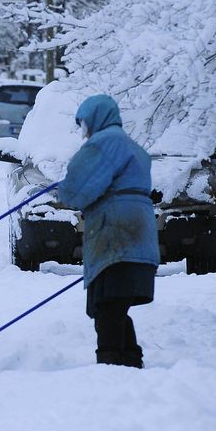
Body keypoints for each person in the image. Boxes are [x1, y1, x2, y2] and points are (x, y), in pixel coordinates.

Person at [59, 95, 160, 368]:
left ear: (97, 118)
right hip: (137, 231)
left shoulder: (105, 143)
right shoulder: (130, 146)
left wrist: (64, 190)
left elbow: (78, 187)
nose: (85, 131)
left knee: (109, 303)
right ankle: (129, 361)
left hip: (116, 231)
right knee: (115, 303)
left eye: (85, 124)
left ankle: (111, 364)